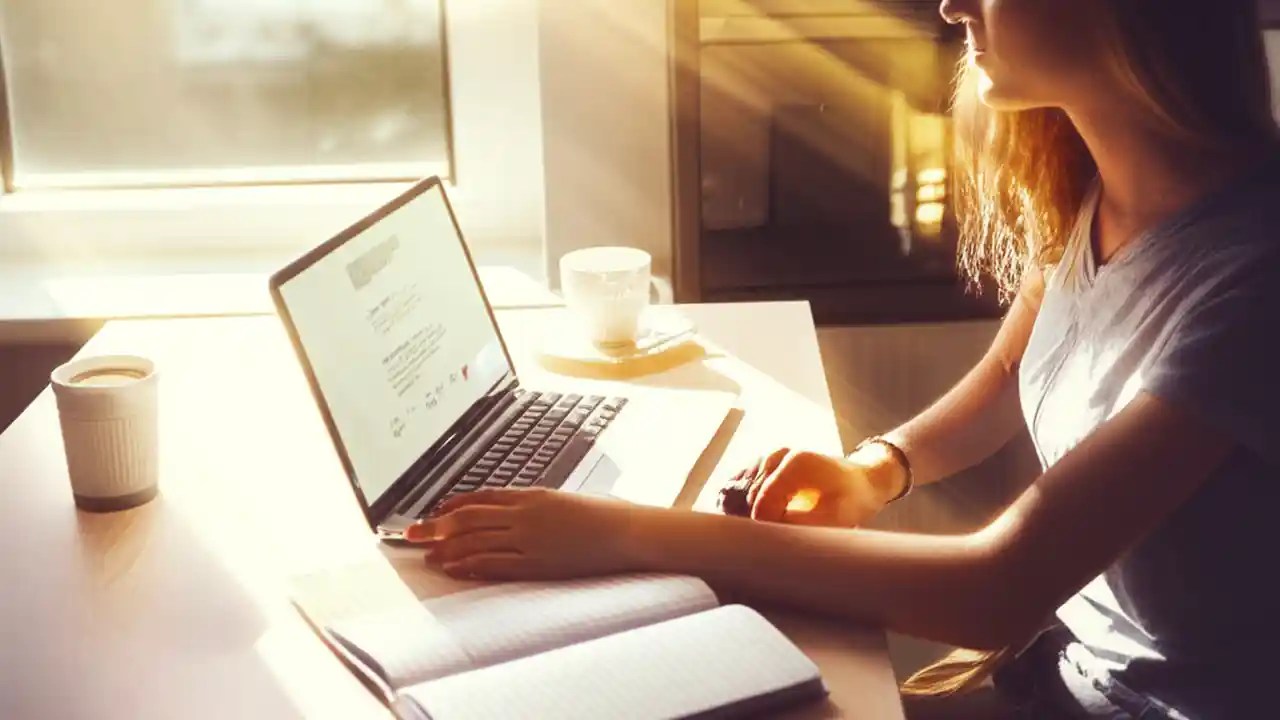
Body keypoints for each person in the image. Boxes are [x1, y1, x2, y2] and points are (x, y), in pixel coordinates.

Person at [403, 1, 1280, 717]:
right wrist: (875, 470)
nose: (952, 6)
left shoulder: (1255, 280)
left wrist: (623, 535)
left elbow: (996, 589)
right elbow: (1014, 374)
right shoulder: (1100, 189)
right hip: (1072, 674)